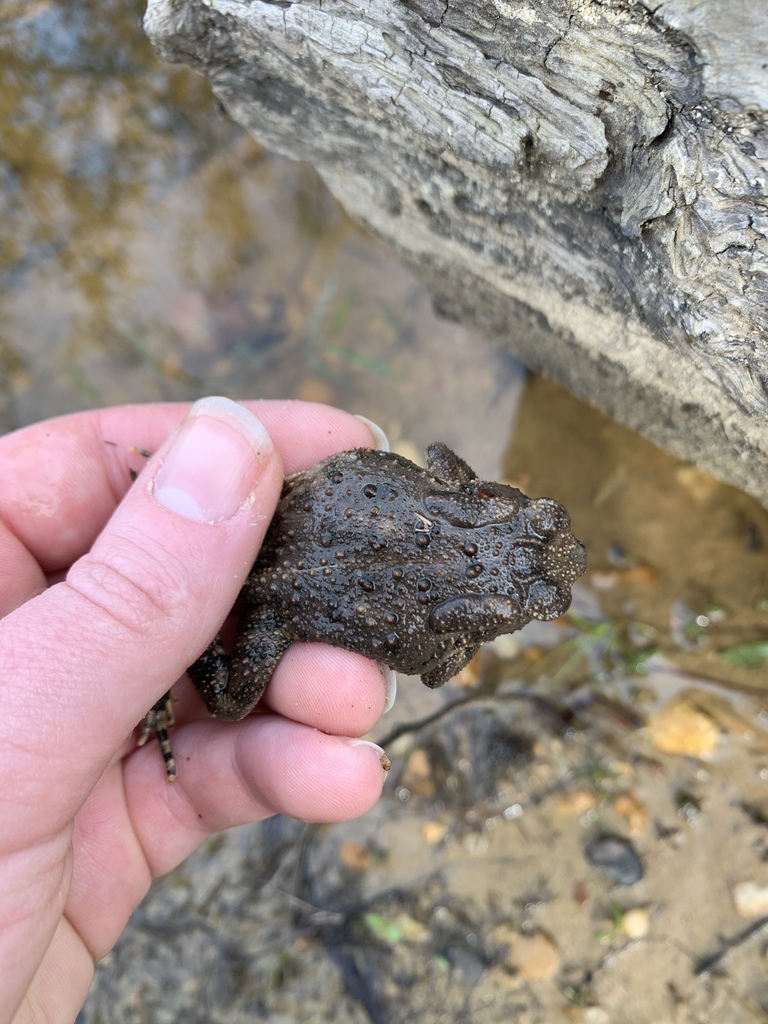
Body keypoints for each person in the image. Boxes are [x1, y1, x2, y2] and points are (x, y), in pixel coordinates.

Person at [0, 397, 391, 1024]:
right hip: (275, 574)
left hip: (288, 552)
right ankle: (179, 644)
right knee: (236, 702)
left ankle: (180, 575)